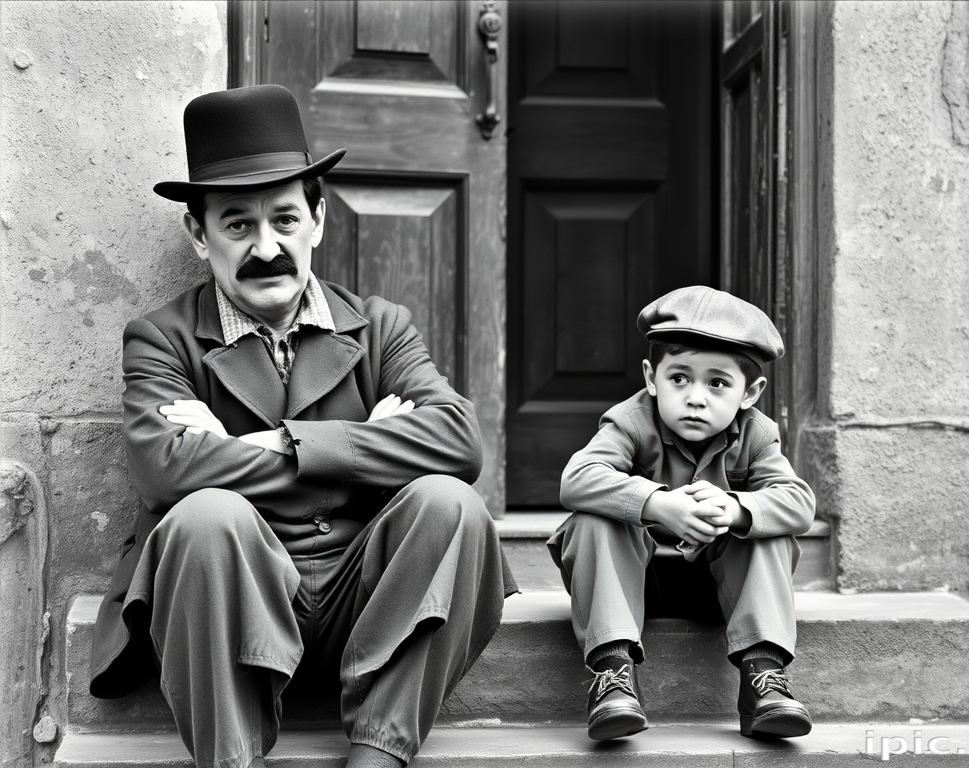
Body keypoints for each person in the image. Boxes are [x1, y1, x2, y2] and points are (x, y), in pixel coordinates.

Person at [88, 84, 517, 768]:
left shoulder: (380, 327)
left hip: (368, 598)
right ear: (199, 235)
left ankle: (378, 755)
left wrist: (258, 446)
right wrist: (366, 449)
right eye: (237, 226)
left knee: (453, 506)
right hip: (240, 600)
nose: (268, 248)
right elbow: (164, 471)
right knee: (205, 517)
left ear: (317, 219)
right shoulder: (161, 339)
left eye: (285, 219)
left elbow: (459, 443)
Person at [549, 285, 815, 741]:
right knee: (590, 518)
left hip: (720, 590)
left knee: (766, 527)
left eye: (717, 383)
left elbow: (799, 501)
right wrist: (657, 504)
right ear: (651, 378)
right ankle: (614, 676)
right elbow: (577, 478)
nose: (696, 398)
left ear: (750, 392)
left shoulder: (757, 434)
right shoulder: (631, 421)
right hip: (634, 587)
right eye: (679, 379)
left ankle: (764, 679)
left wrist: (735, 509)